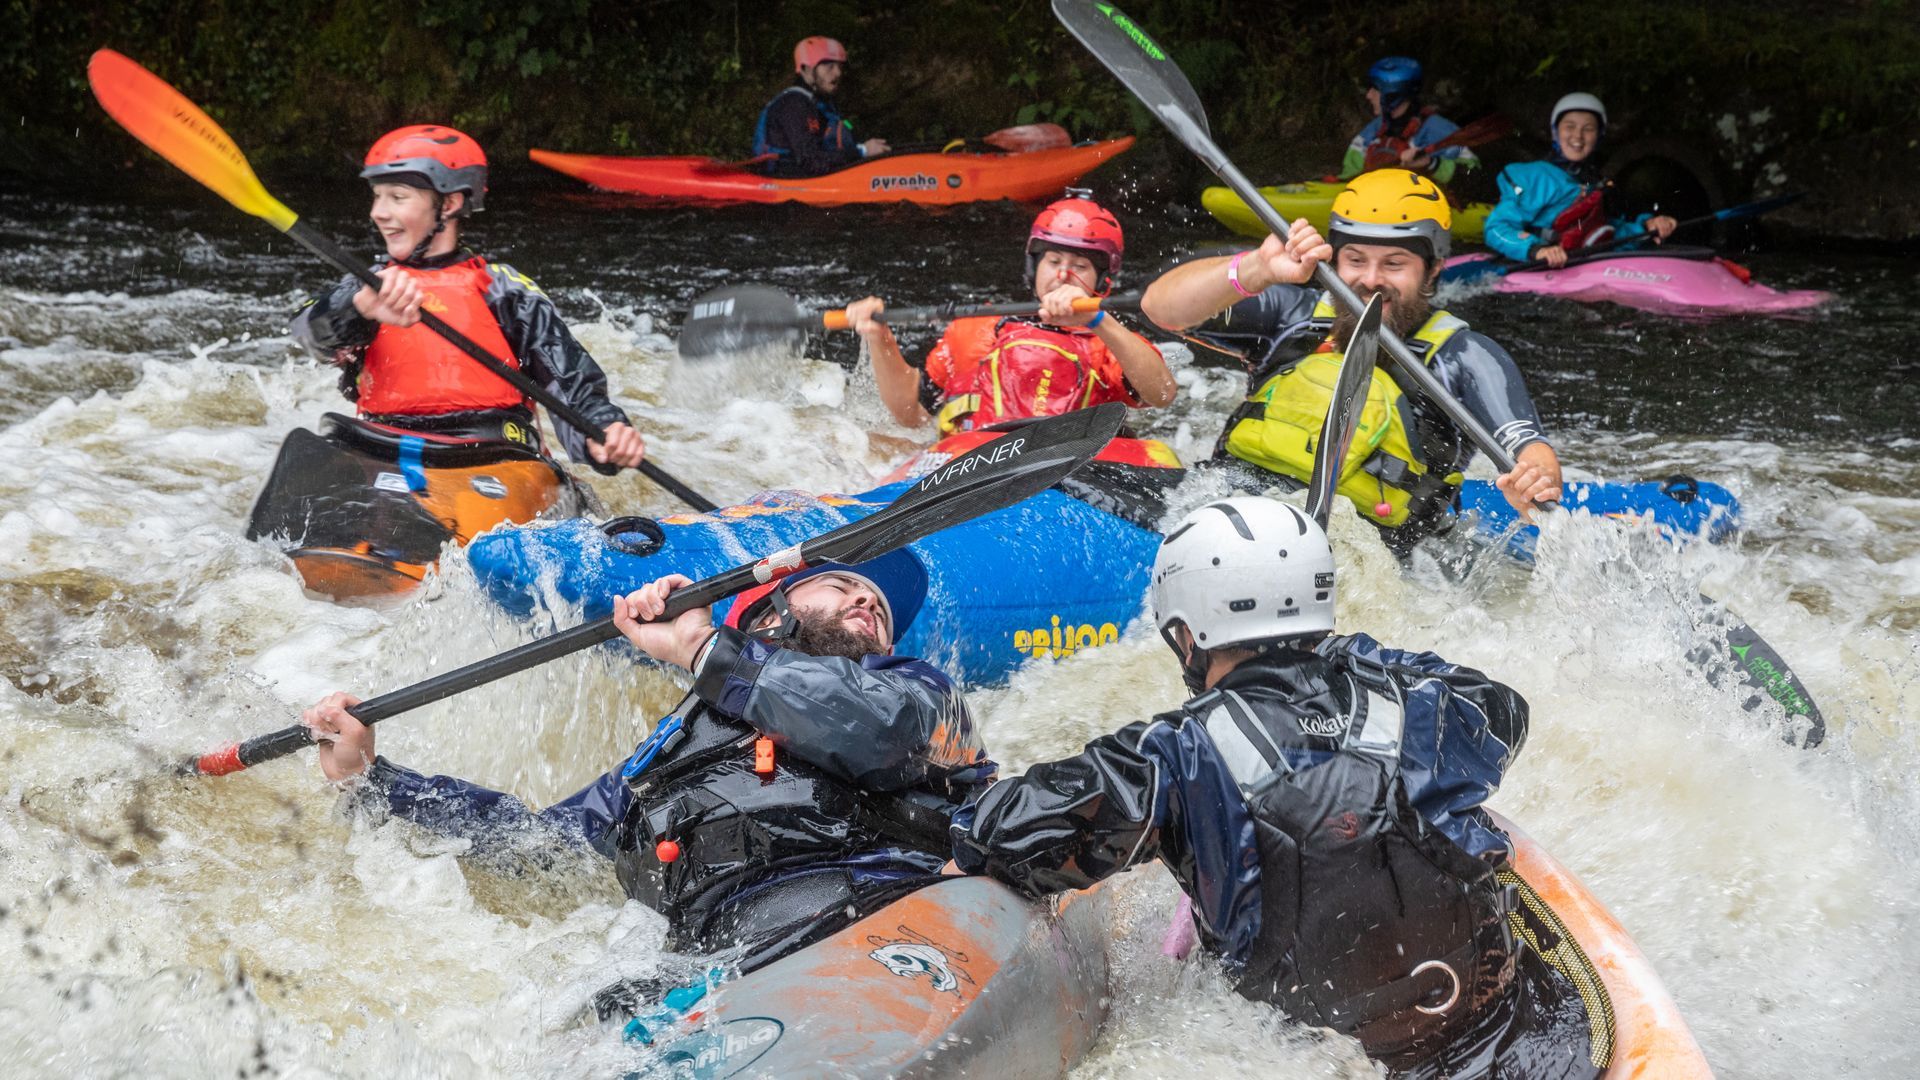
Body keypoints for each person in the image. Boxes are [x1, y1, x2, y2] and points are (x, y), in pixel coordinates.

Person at [954, 496, 1607, 1078]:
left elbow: (999, 833)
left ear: (1185, 635)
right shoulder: (1427, 708)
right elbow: (1503, 707)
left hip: (1318, 1053)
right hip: (1536, 1037)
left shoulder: (1170, 754)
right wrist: (1362, 656)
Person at [300, 551, 993, 1009]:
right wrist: (373, 778)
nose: (870, 603)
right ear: (764, 617)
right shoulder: (669, 751)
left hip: (876, 912)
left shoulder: (915, 690)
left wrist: (699, 647)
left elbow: (869, 728)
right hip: (710, 965)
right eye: (843, 586)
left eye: (880, 604)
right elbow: (541, 848)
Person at [1141, 169, 1562, 559]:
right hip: (1229, 504)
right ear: (1335, 261)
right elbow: (1160, 309)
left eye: (1395, 263)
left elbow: (1531, 450)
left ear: (1432, 271)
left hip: (1369, 550)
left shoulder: (1464, 357)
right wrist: (1256, 269)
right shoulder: (1292, 318)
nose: (1371, 278)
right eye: (1355, 260)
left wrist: (1534, 482)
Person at [291, 125, 645, 474]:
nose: (378, 212)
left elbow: (568, 379)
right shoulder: (367, 287)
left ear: (449, 203)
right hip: (385, 450)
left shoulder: (504, 290)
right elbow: (309, 334)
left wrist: (603, 430)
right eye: (377, 195)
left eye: (397, 197)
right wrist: (359, 308)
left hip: (495, 456)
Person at [846, 194, 1176, 432]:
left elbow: (1162, 394)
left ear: (1101, 280)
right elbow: (911, 416)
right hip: (975, 463)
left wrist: (1098, 320)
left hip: (1068, 474)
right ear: (1034, 266)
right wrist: (880, 339)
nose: (1063, 275)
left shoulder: (1109, 341)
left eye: (1080, 266)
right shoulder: (975, 327)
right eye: (1054, 261)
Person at [1483, 93, 1679, 267]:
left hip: (1579, 266)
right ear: (1555, 132)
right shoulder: (1534, 177)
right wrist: (1536, 250)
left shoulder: (1595, 184)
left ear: (1599, 136)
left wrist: (1646, 228)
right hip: (1536, 268)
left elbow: (1605, 236)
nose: (1578, 136)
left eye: (1588, 129)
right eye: (1569, 127)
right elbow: (1496, 229)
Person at [751, 36, 890, 178]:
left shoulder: (822, 104)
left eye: (839, 66)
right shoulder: (793, 105)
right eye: (829, 66)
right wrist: (862, 151)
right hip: (783, 180)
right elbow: (813, 162)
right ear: (806, 69)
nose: (838, 73)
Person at [1340, 57, 1478, 186]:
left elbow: (1472, 176)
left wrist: (1431, 164)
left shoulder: (1439, 130)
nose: (1368, 95)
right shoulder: (1373, 131)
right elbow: (1350, 175)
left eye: (1376, 89)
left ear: (1393, 94)